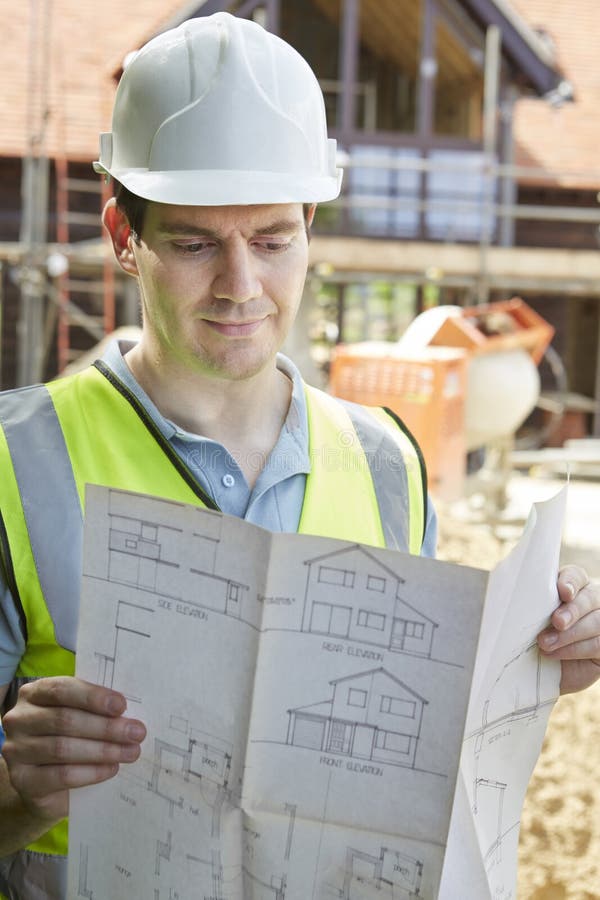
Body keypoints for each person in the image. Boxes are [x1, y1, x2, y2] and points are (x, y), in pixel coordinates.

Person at [0, 12, 598, 899]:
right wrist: (14, 793)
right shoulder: (18, 462)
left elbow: (413, 756)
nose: (242, 286)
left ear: (311, 224)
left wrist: (541, 663)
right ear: (125, 236)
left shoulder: (387, 462)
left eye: (274, 240)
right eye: (196, 243)